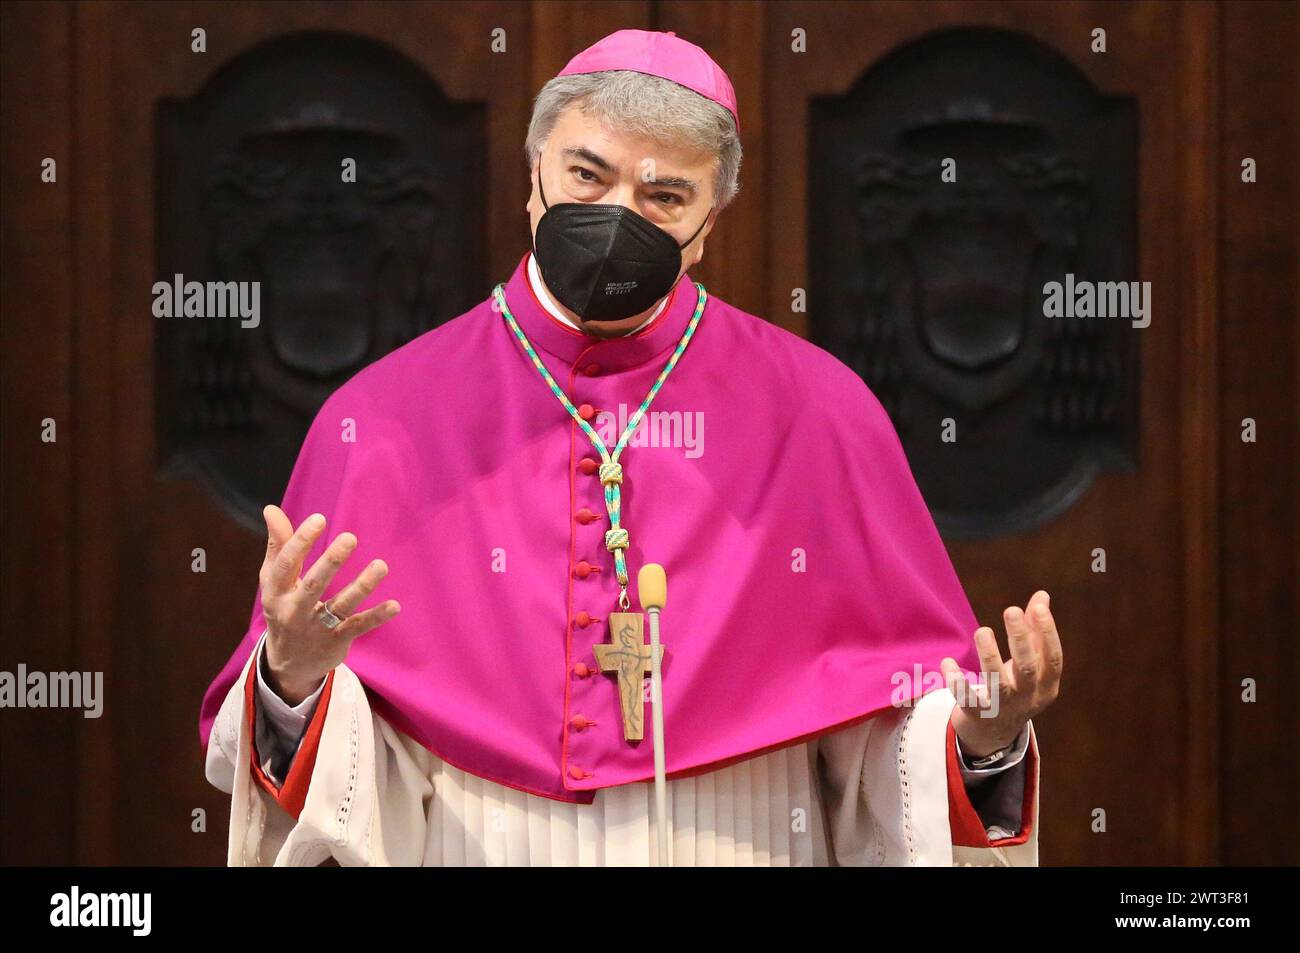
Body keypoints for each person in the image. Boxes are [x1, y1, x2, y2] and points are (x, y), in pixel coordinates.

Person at [199, 28, 1062, 866]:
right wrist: (292, 678)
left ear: (710, 220)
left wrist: (981, 739)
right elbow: (298, 764)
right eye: (587, 173)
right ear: (531, 177)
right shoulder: (385, 416)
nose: (618, 216)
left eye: (664, 197)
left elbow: (879, 742)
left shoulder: (818, 410)